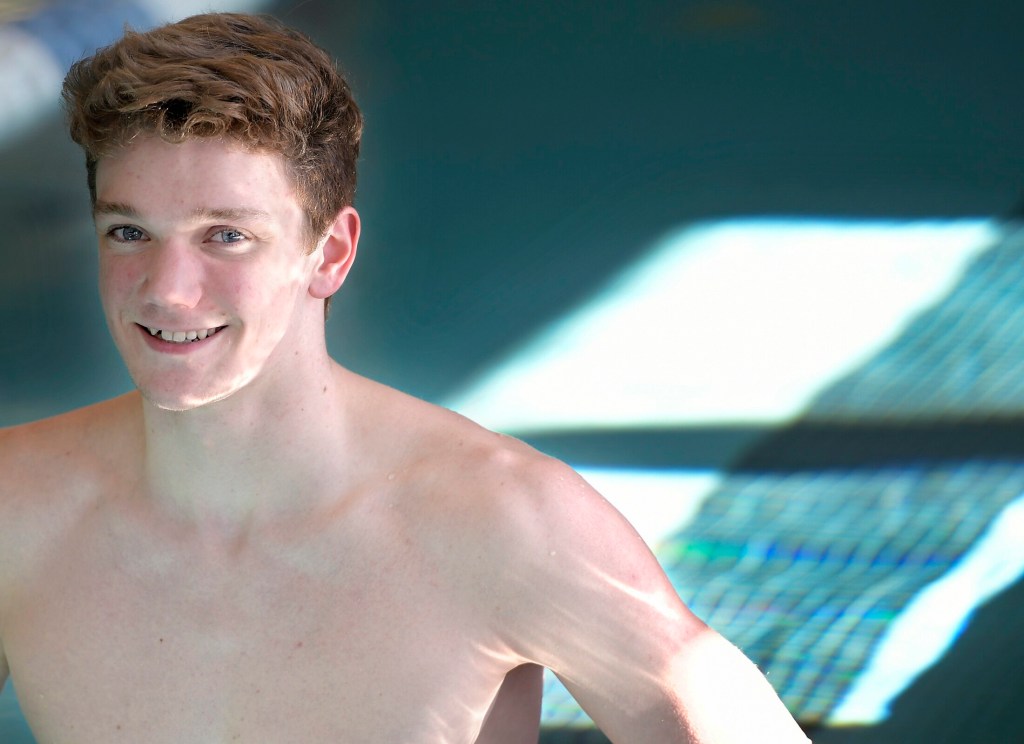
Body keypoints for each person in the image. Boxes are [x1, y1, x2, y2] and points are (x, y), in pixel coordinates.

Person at [0, 12, 810, 743]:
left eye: (226, 236)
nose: (167, 288)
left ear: (331, 253)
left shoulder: (506, 523)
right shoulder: (18, 507)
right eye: (132, 230)